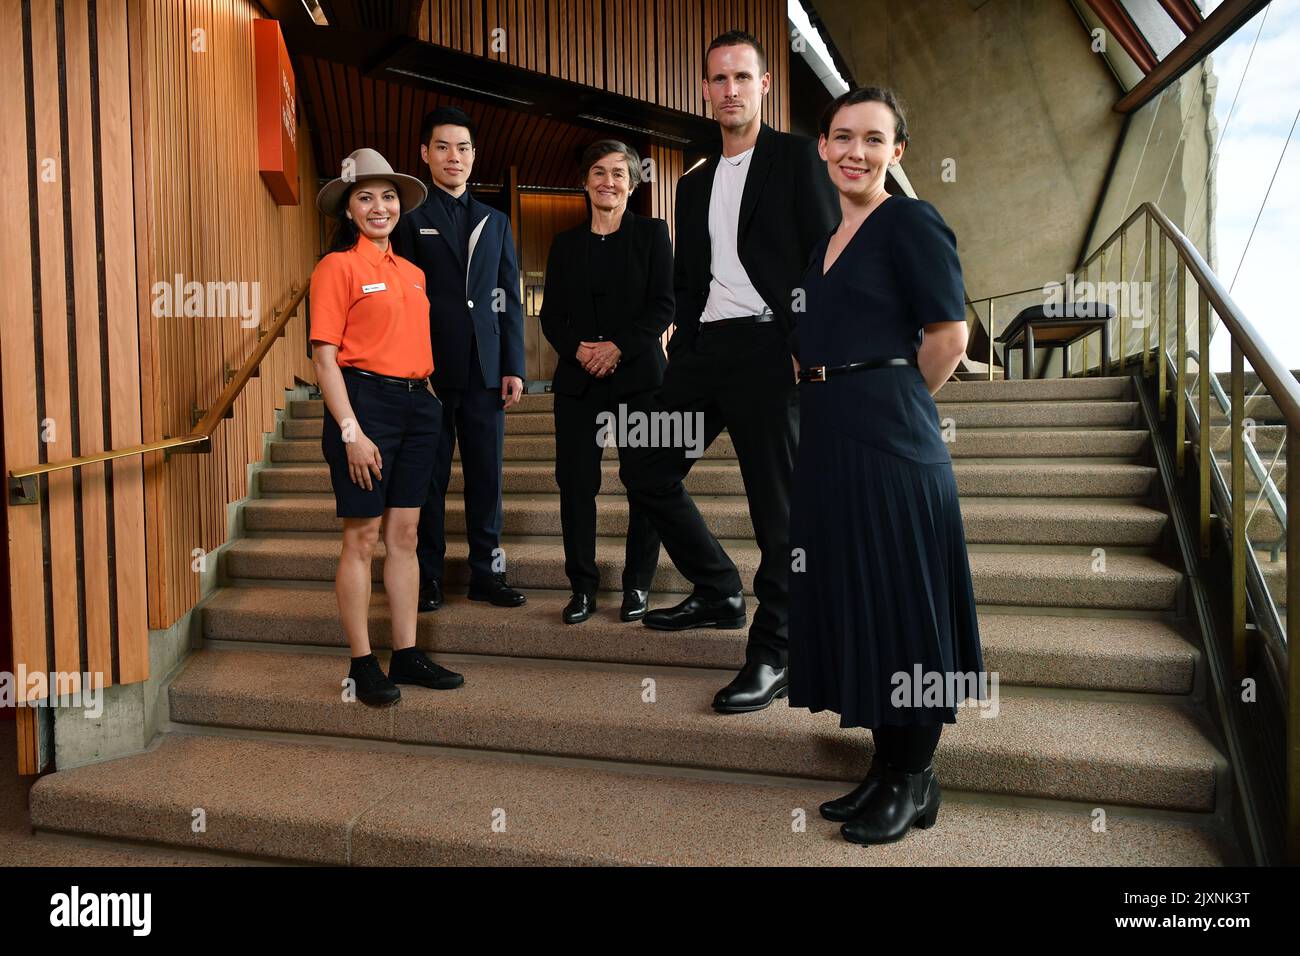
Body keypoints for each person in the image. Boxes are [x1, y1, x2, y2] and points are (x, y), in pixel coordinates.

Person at [786, 87, 985, 845]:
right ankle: (889, 765)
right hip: (830, 432)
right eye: (842, 137)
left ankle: (915, 777)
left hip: (890, 436)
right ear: (823, 147)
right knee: (862, 599)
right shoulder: (822, 244)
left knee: (905, 604)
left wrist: (890, 394)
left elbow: (948, 336)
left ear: (896, 153)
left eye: (873, 140)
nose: (855, 152)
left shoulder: (910, 220)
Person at [621, 30, 838, 713]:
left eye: (742, 77)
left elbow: (825, 255)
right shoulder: (694, 180)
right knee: (646, 465)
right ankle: (717, 589)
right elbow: (690, 276)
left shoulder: (800, 158)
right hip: (703, 353)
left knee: (780, 517)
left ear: (765, 85)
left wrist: (812, 342)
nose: (730, 90)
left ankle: (775, 652)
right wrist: (681, 342)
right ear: (706, 89)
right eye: (718, 79)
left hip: (773, 353)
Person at [309, 147, 465, 707]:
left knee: (404, 537)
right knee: (363, 537)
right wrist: (352, 431)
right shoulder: (336, 268)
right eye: (366, 197)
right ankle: (360, 662)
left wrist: (426, 399)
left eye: (388, 196)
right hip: (364, 404)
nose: (379, 206)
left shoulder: (415, 274)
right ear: (349, 210)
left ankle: (406, 652)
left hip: (418, 405)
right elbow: (325, 360)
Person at [392, 106, 527, 613]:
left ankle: (486, 576)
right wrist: (410, 366)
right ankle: (425, 577)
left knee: (487, 478)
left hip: (485, 372)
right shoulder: (409, 220)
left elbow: (506, 296)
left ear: (474, 155)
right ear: (425, 154)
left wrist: (512, 364)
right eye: (444, 147)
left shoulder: (496, 221)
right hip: (427, 374)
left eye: (464, 147)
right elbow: (401, 302)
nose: (455, 156)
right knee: (428, 480)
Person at [539, 140, 672, 624]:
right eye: (598, 171)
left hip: (639, 379)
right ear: (584, 181)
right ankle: (583, 588)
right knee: (576, 485)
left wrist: (618, 347)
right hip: (578, 382)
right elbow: (551, 315)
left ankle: (638, 584)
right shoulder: (564, 244)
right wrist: (580, 350)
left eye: (619, 173)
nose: (608, 181)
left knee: (645, 481)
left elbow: (664, 305)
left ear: (633, 183)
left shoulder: (653, 235)